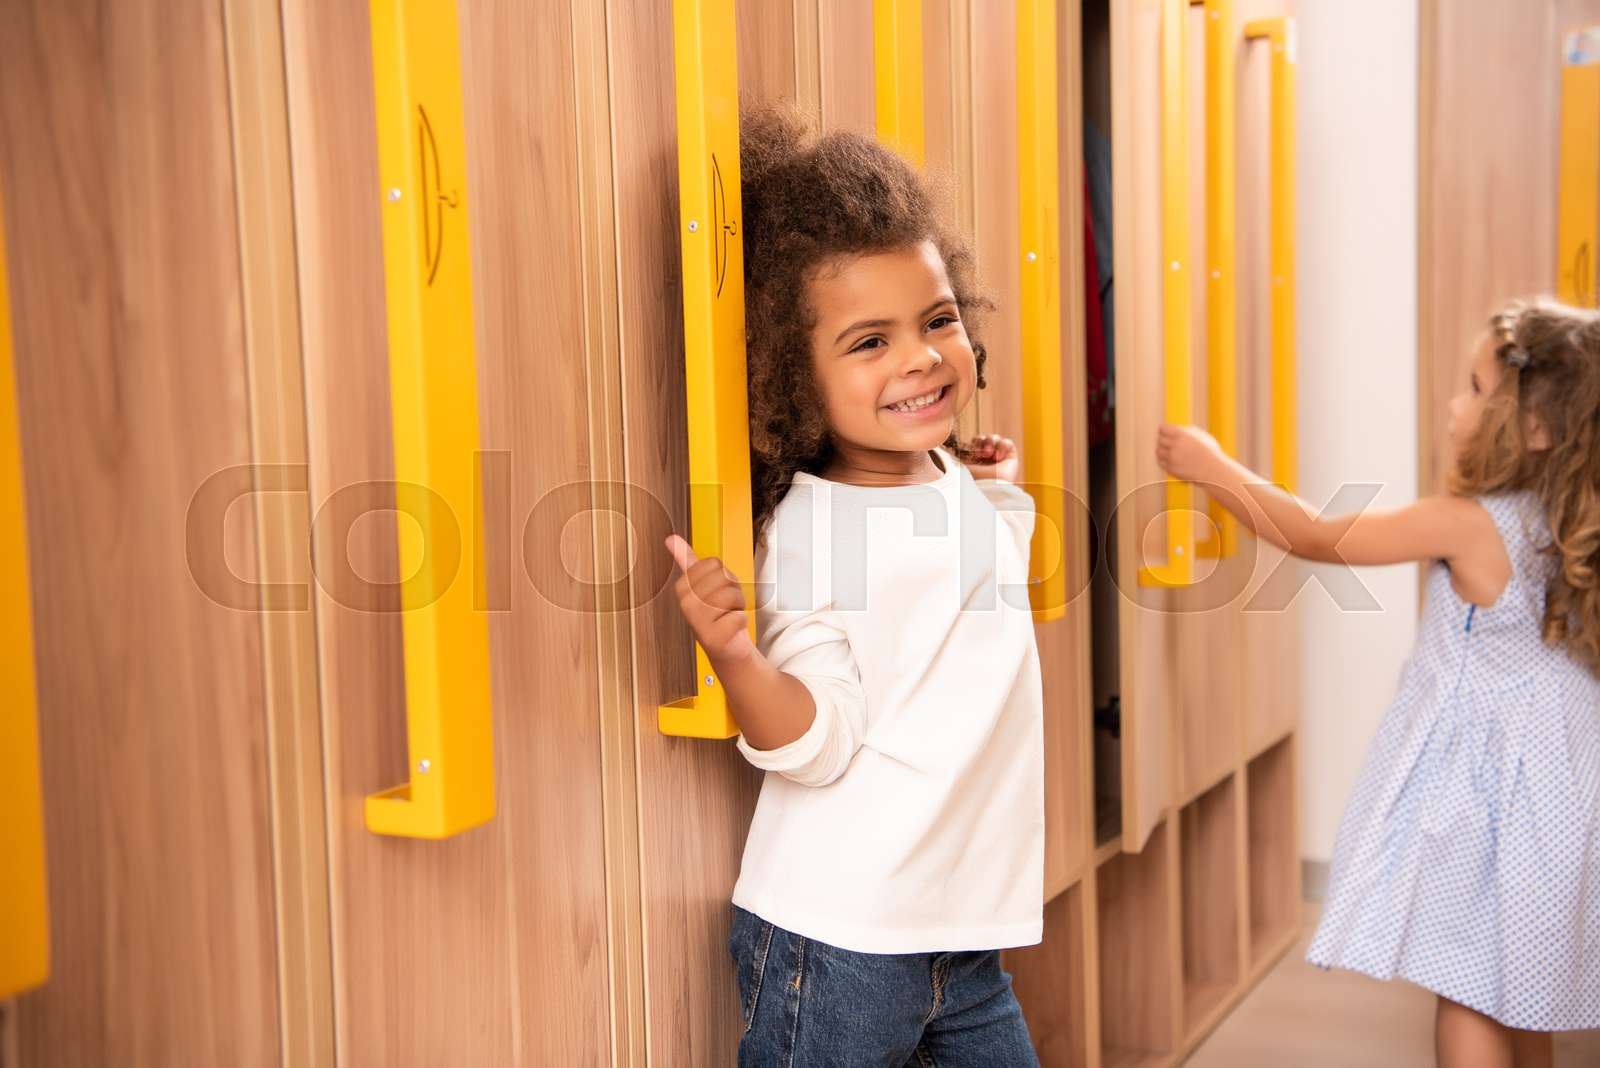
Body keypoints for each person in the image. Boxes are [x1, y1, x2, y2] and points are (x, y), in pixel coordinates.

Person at [663, 103, 1047, 1066]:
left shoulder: (945, 474)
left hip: (960, 942)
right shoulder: (811, 530)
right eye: (869, 342)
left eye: (937, 320)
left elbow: (979, 596)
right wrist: (736, 655)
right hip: (838, 943)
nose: (920, 355)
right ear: (795, 377)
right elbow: (813, 741)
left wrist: (996, 493)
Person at [1156, 298, 1600, 1068]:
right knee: (1523, 983)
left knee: (1467, 983)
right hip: (1565, 790)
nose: (1455, 402)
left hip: (1485, 792)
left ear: (1533, 427)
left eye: (1473, 387)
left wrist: (1212, 468)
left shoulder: (1471, 522)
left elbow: (1318, 534)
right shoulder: (1574, 522)